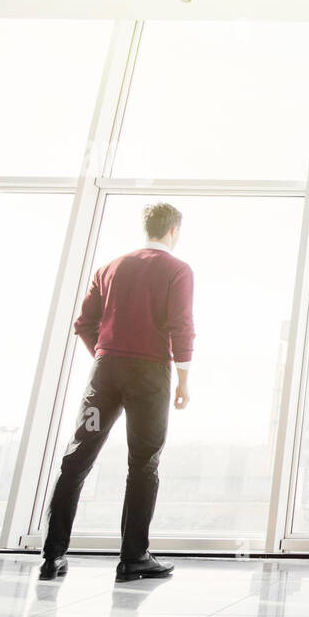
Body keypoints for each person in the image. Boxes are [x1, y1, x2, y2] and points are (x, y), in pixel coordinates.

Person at [40, 202, 194, 583]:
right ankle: (133, 558)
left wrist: (106, 355)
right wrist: (183, 381)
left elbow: (83, 323)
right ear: (173, 230)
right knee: (143, 464)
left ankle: (52, 557)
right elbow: (181, 326)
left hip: (105, 374)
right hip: (150, 375)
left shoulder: (109, 268)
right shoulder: (178, 270)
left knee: (76, 459)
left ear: (147, 227)